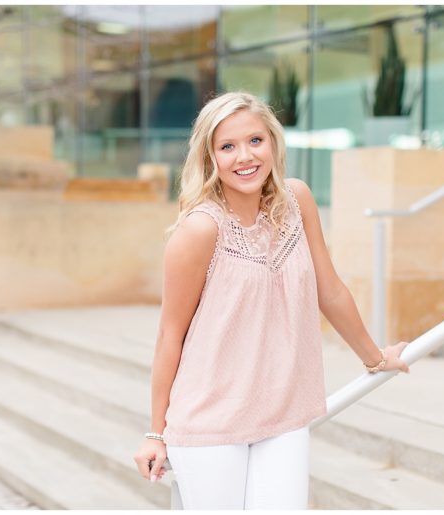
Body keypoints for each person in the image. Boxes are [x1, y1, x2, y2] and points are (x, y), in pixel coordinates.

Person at [133, 91, 411, 509]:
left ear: (274, 143)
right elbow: (170, 335)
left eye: (255, 141)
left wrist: (374, 358)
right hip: (210, 420)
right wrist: (156, 432)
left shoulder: (297, 201)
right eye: (227, 147)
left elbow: (330, 289)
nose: (245, 157)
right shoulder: (200, 230)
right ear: (210, 157)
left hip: (283, 413)